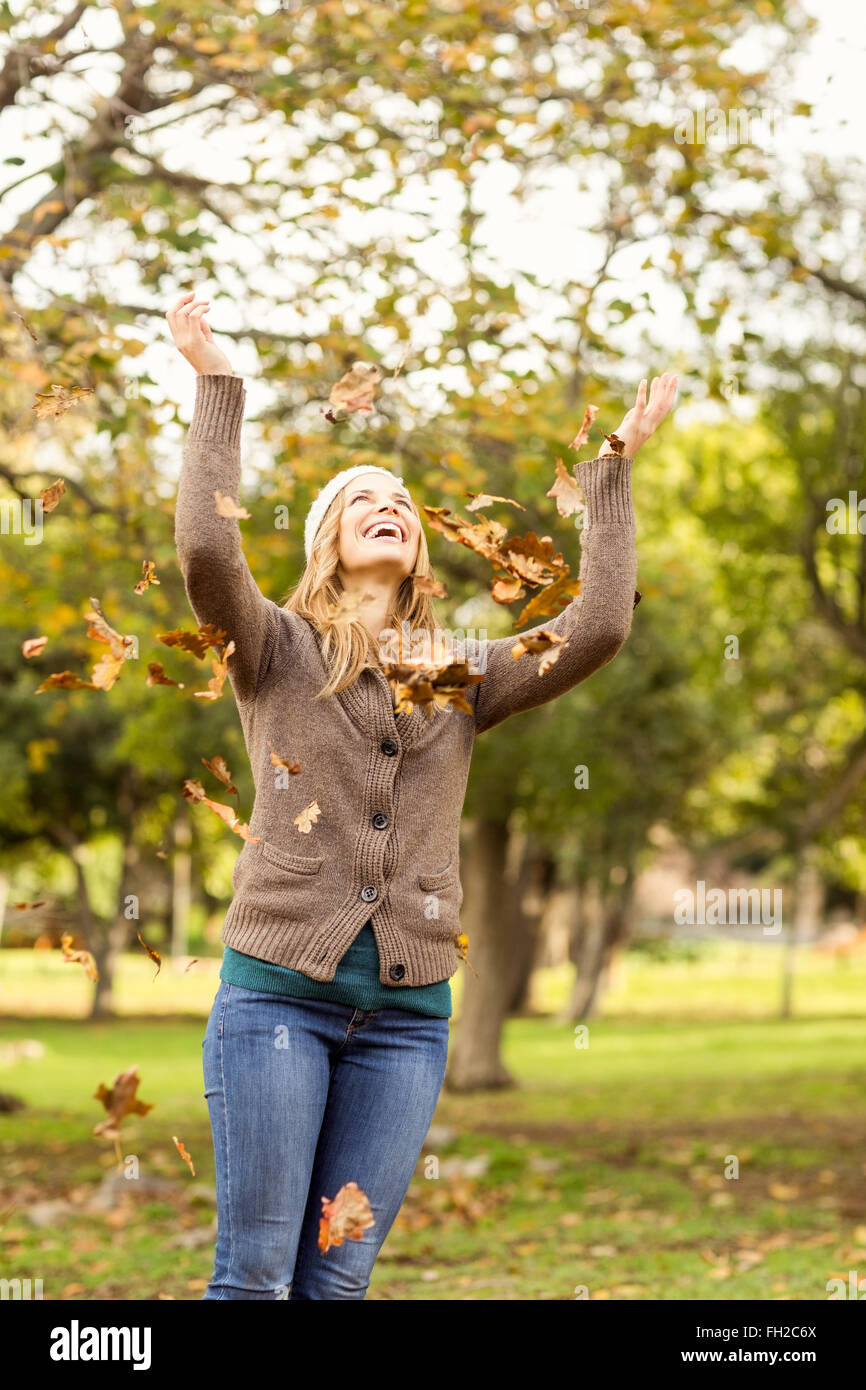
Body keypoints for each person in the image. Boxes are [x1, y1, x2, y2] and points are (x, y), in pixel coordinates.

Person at [167, 290, 677, 1299]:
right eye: (363, 498)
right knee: (259, 1273)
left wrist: (608, 466)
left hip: (407, 1019)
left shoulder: (463, 673)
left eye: (399, 498)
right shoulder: (271, 646)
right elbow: (204, 553)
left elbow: (597, 628)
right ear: (326, 541)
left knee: (336, 1278)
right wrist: (219, 386)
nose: (388, 505)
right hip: (276, 1001)